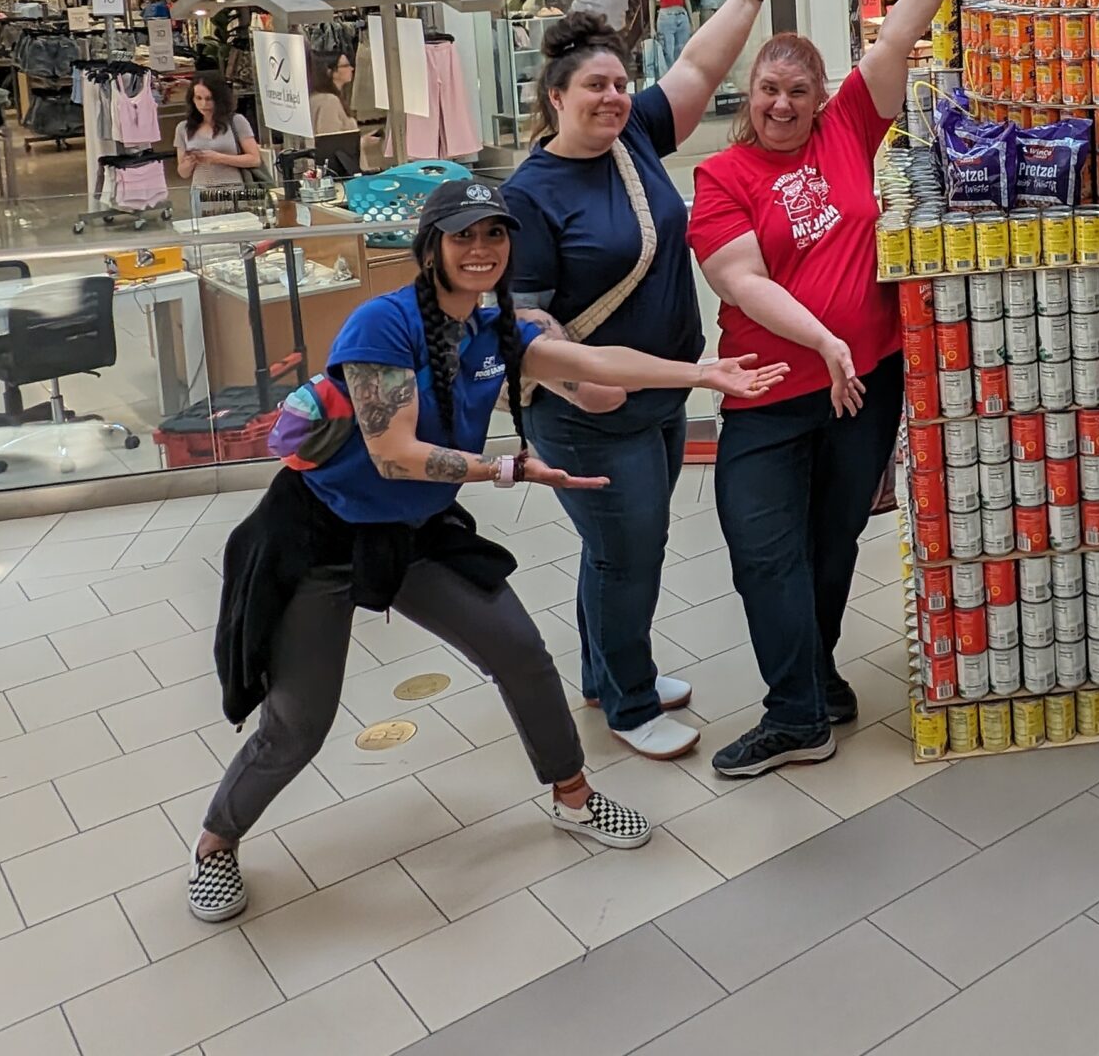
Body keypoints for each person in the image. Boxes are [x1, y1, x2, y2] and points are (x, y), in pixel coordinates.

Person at [188, 180, 785, 925]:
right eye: (464, 236)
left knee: (520, 651)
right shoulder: (384, 324)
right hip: (322, 534)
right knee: (299, 722)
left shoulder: (497, 330)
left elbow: (596, 363)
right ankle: (216, 842)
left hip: (416, 535)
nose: (481, 251)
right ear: (431, 245)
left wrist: (701, 375)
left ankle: (574, 797)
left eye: (494, 236)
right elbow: (396, 455)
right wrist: (508, 468)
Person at [501, 0, 801, 761]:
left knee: (617, 549)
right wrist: (577, 391)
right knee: (629, 555)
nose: (614, 96)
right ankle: (630, 702)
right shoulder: (529, 196)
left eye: (621, 83)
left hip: (660, 394)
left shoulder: (631, 141)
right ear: (556, 96)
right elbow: (522, 322)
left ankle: (604, 672)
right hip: (593, 411)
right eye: (595, 85)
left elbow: (698, 70)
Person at [687, 0, 962, 777]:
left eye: (797, 92)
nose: (782, 104)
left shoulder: (849, 125)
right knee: (764, 551)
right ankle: (796, 706)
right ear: (750, 93)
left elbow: (899, 35)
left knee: (832, 539)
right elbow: (743, 283)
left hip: (863, 387)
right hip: (769, 390)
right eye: (769, 89)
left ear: (818, 95)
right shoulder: (721, 178)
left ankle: (810, 692)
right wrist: (823, 339)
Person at [175, 73, 262, 216]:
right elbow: (183, 173)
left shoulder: (236, 121)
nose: (204, 104)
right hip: (201, 192)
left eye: (209, 99)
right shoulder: (183, 128)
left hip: (233, 190)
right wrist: (190, 162)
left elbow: (254, 159)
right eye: (199, 98)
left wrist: (218, 158)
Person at [306, 51, 362, 180]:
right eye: (345, 65)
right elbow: (331, 145)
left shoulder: (320, 98)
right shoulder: (329, 102)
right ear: (330, 71)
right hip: (335, 175)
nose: (351, 69)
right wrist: (362, 143)